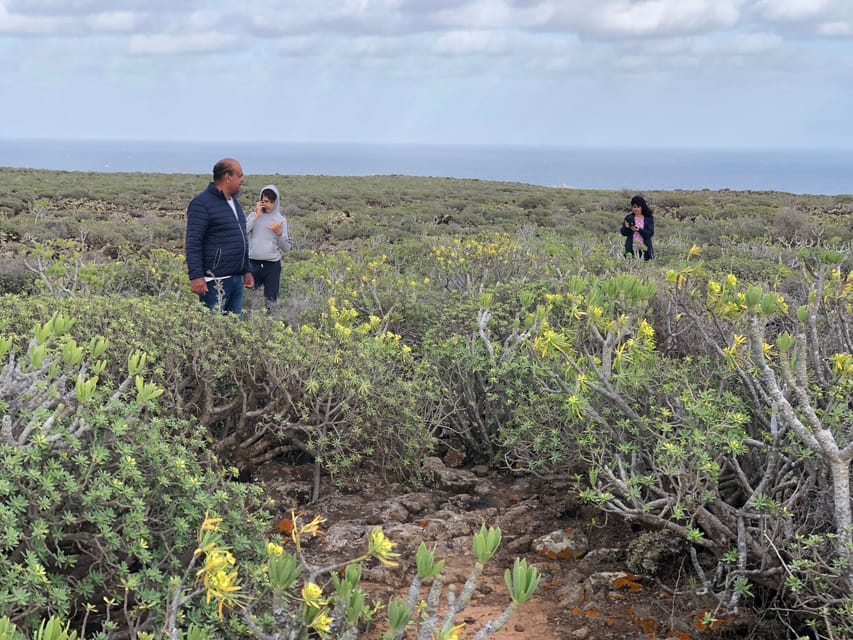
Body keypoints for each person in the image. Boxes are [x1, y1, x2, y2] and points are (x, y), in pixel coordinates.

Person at [185, 158, 254, 316]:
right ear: (227, 177)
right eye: (240, 175)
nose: (242, 179)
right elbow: (193, 243)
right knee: (212, 330)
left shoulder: (234, 203)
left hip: (236, 279)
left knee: (233, 330)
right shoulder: (201, 204)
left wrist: (246, 270)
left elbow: (241, 238)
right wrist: (196, 276)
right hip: (214, 282)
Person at [247, 184, 292, 306]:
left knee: (271, 301)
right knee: (247, 299)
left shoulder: (281, 220)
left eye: (272, 202)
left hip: (272, 265)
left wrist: (279, 234)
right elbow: (242, 232)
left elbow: (286, 248)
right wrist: (256, 217)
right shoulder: (252, 216)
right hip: (252, 264)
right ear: (260, 200)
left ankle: (270, 323)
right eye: (265, 201)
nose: (269, 205)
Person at [620, 195, 655, 260]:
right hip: (631, 249)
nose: (635, 209)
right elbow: (623, 233)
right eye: (634, 207)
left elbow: (650, 233)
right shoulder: (629, 218)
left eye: (638, 207)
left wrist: (639, 230)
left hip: (644, 249)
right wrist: (627, 228)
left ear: (642, 207)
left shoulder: (648, 218)